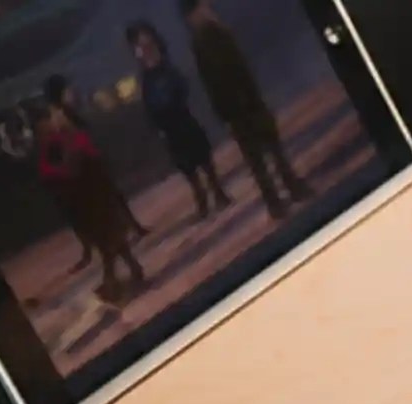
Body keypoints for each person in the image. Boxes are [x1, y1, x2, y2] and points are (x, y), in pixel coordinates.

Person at [179, 0, 312, 220]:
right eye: (201, 7)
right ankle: (277, 200)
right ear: (193, 15)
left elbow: (240, 69)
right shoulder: (204, 41)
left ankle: (289, 190)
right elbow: (215, 82)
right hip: (239, 109)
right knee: (259, 159)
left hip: (248, 103)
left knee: (272, 150)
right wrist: (227, 114)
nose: (206, 9)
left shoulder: (216, 32)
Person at [36, 102, 145, 302]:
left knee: (107, 241)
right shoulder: (55, 143)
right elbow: (52, 171)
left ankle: (112, 280)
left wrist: (63, 171)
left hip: (95, 195)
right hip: (86, 199)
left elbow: (81, 165)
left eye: (53, 118)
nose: (51, 123)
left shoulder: (72, 138)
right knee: (110, 240)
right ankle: (130, 271)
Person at [125, 20, 232, 220]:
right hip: (168, 123)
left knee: (202, 155)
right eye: (137, 41)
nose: (141, 44)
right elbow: (150, 103)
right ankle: (202, 198)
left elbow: (181, 85)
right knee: (186, 164)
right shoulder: (146, 74)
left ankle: (217, 192)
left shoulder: (163, 60)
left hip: (181, 115)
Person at [44, 74, 149, 262]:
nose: (71, 92)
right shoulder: (59, 118)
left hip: (90, 170)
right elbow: (73, 146)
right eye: (66, 89)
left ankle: (130, 249)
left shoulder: (65, 113)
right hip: (86, 174)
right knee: (107, 217)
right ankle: (126, 259)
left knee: (112, 204)